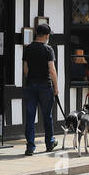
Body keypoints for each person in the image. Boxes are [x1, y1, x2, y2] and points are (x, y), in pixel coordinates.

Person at [21, 23, 59, 155]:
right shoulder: (48, 50)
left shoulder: (28, 49)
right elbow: (52, 70)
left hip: (31, 85)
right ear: (47, 35)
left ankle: (30, 147)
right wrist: (56, 87)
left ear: (37, 34)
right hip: (45, 86)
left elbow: (25, 69)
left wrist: (31, 79)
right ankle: (50, 143)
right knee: (47, 116)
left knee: (30, 116)